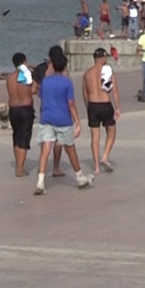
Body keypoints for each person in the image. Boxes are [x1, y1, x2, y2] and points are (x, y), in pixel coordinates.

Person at [33, 51, 93, 195]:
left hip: (46, 117)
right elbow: (71, 103)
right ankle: (79, 177)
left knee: (45, 149)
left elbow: (40, 95)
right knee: (70, 148)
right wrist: (77, 122)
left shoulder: (45, 81)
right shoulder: (67, 82)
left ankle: (40, 181)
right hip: (63, 119)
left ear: (52, 64)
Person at [82, 48, 119, 174]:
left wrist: (88, 106)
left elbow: (85, 93)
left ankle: (96, 167)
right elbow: (114, 90)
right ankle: (105, 156)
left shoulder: (87, 73)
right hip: (105, 104)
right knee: (112, 131)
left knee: (95, 137)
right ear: (103, 58)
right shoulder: (107, 71)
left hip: (92, 105)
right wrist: (117, 107)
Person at [5, 52, 36, 177]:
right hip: (25, 108)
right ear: (24, 61)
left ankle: (19, 163)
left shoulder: (10, 77)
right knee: (24, 137)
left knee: (16, 136)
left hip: (13, 108)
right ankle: (20, 168)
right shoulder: (26, 75)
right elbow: (32, 90)